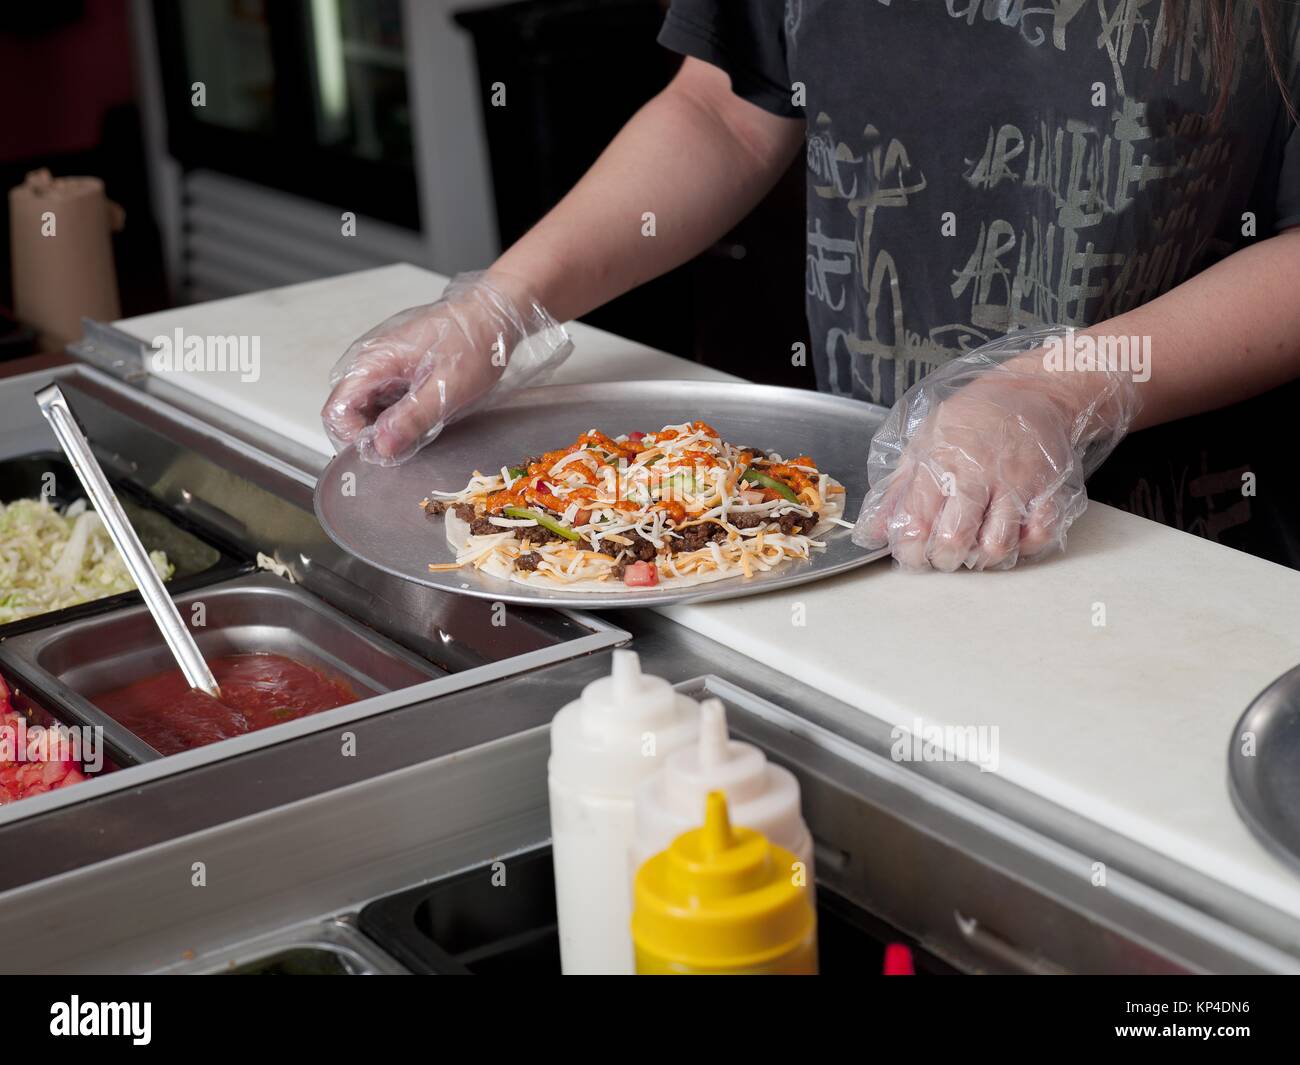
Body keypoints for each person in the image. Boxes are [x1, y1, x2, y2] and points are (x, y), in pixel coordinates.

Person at [323, 1, 1300, 572]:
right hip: (870, 520)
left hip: (1178, 558)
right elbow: (726, 108)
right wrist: (501, 304)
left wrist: (1058, 390)